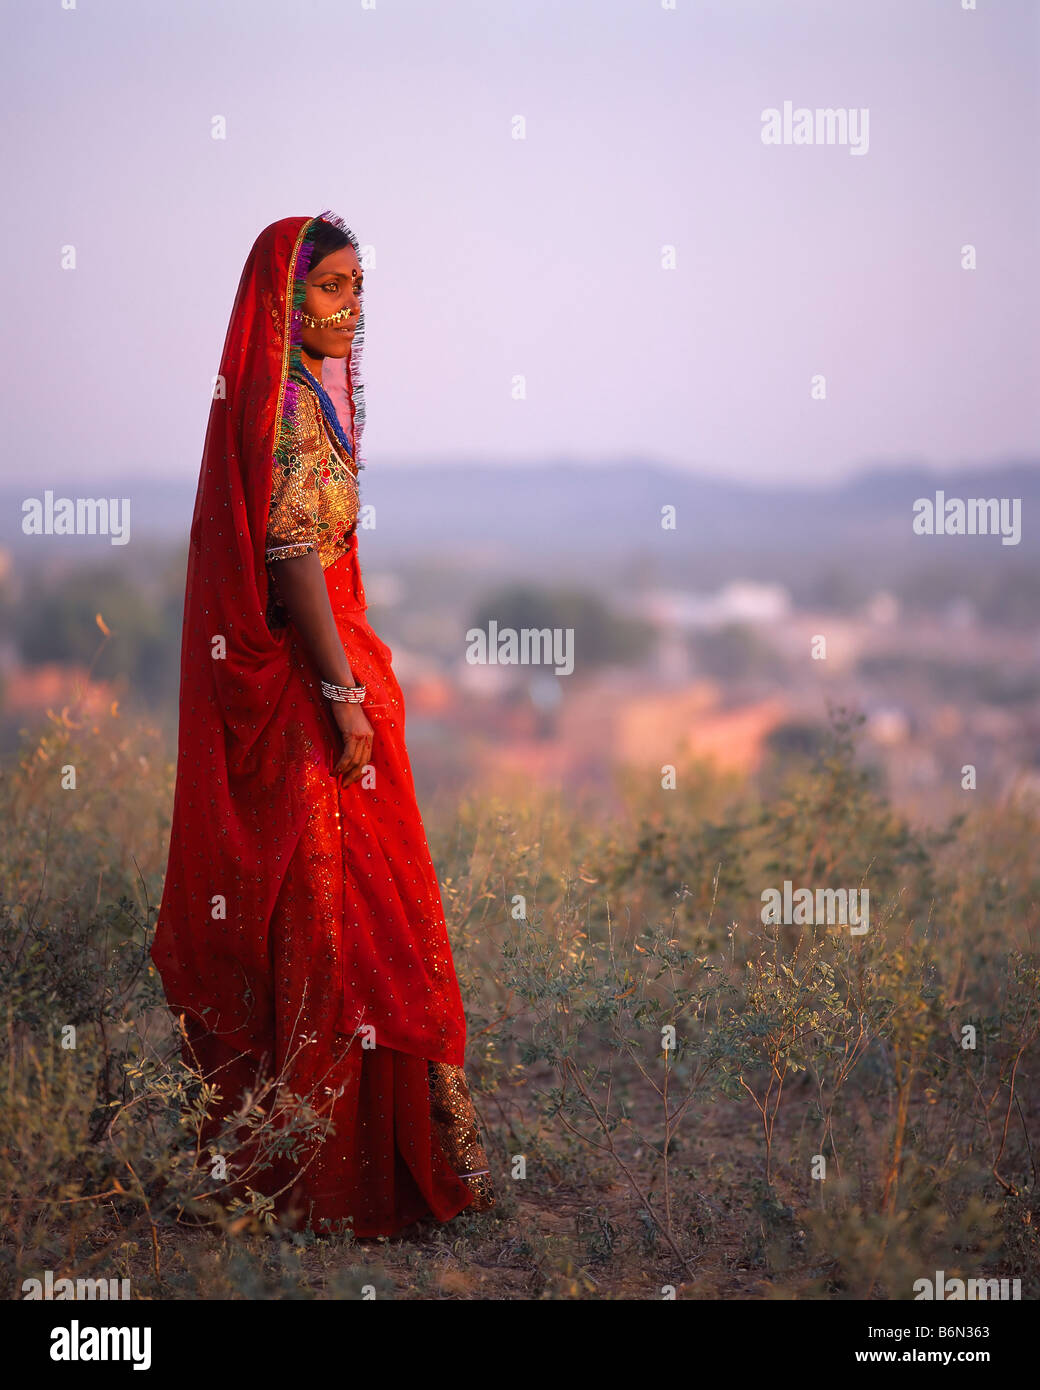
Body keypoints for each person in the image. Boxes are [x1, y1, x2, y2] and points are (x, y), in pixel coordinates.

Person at [151, 210, 495, 1236]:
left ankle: (332, 1168)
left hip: (326, 677)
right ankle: (319, 1182)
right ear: (284, 301)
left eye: (358, 288)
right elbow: (293, 557)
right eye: (332, 288)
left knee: (352, 919)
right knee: (329, 925)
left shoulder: (302, 396)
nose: (352, 309)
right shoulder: (289, 409)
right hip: (304, 697)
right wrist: (344, 701)